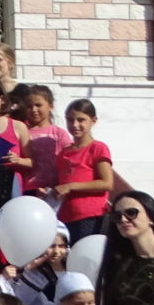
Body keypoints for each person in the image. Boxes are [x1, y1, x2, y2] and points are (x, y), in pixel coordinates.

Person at [51, 99, 114, 242]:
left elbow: (107, 183)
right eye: (70, 120)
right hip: (65, 216)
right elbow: (60, 183)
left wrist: (71, 186)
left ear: (93, 121)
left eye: (81, 120)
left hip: (90, 216)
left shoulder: (97, 148)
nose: (75, 125)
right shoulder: (64, 152)